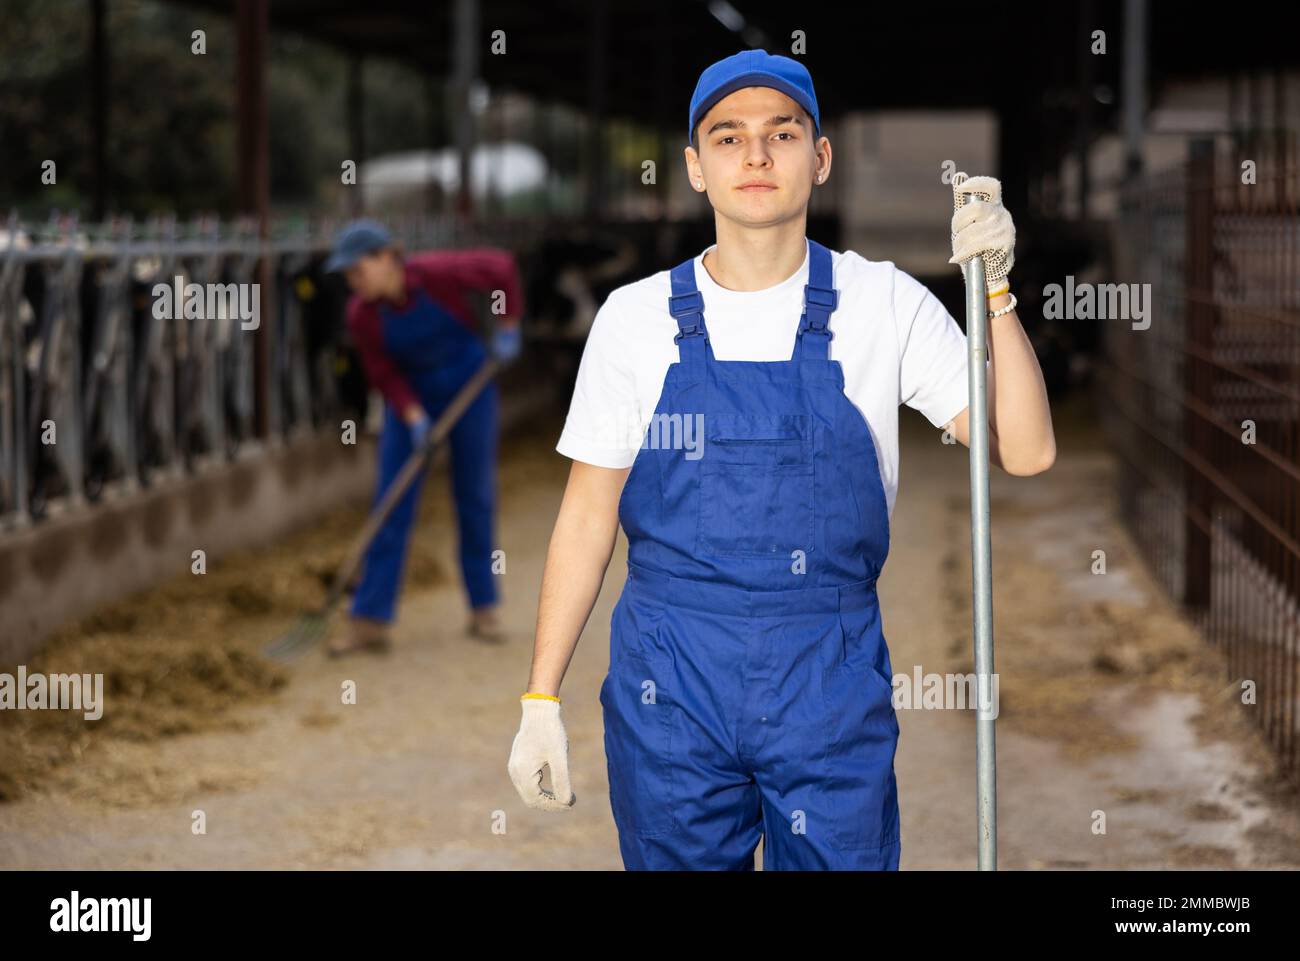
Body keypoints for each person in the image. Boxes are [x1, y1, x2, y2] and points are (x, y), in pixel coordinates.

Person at [507, 50, 1056, 869]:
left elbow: (1026, 448)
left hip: (826, 678)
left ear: (820, 157)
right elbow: (587, 516)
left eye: (781, 134)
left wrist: (998, 295)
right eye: (727, 138)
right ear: (695, 167)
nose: (755, 156)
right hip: (670, 682)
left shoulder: (884, 303)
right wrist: (540, 695)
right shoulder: (634, 319)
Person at [324, 220, 524, 655]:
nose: (353, 283)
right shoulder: (362, 314)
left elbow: (501, 267)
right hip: (413, 400)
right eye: (348, 277)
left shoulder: (436, 273)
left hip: (469, 387)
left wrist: (507, 323)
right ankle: (369, 619)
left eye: (357, 271)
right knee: (391, 501)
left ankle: (483, 607)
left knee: (474, 495)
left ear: (385, 258)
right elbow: (382, 372)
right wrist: (414, 418)